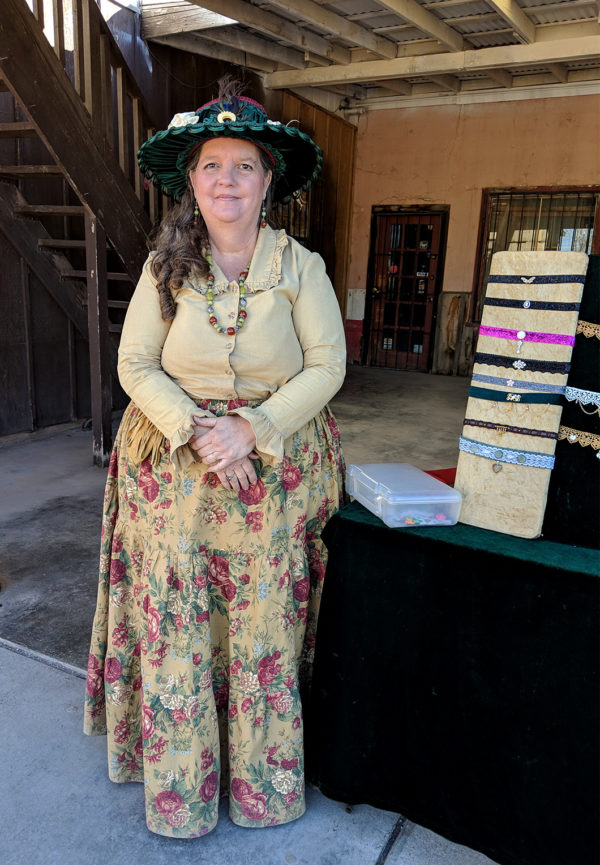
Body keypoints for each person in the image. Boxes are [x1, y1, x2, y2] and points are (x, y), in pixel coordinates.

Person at [83, 80, 347, 839]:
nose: (225, 180)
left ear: (269, 183)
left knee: (264, 617)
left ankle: (263, 779)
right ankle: (182, 786)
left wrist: (255, 427)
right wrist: (204, 430)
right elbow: (137, 364)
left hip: (277, 471)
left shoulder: (302, 269)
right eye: (210, 165)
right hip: (173, 466)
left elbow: (327, 367)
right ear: (190, 181)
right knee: (180, 617)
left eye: (242, 166)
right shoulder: (163, 269)